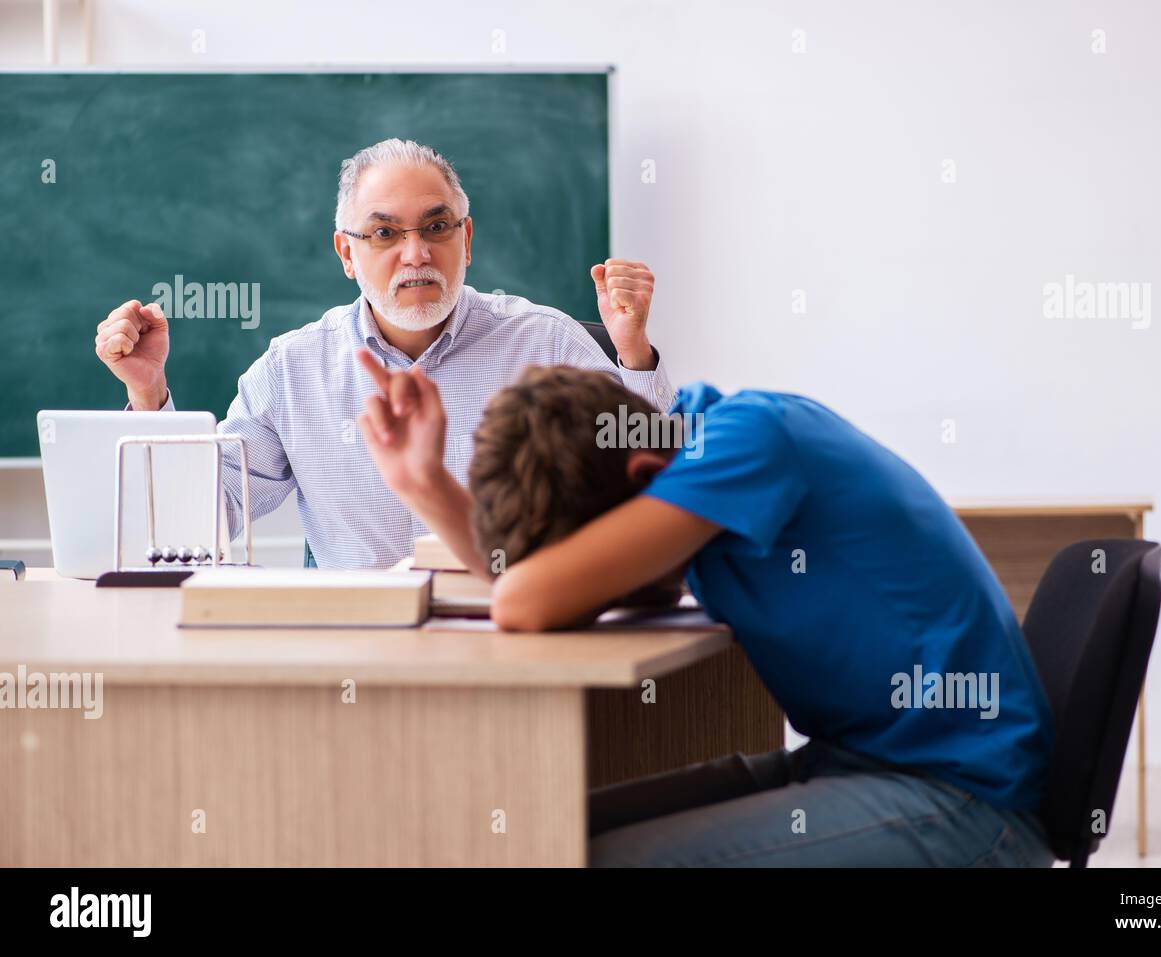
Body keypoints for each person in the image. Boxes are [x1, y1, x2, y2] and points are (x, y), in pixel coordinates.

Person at [355, 362, 1057, 867]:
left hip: (968, 805)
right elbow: (536, 586)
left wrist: (533, 568)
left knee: (594, 860)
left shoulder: (749, 440)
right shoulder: (681, 445)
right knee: (542, 839)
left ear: (645, 481)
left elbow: (526, 598)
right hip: (861, 767)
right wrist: (424, 483)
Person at [92, 138, 673, 568]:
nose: (416, 253)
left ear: (465, 239)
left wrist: (632, 356)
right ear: (346, 253)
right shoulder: (293, 370)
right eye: (385, 234)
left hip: (510, 630)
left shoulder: (545, 341)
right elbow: (199, 523)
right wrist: (147, 393)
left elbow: (654, 485)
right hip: (356, 650)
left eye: (437, 226)